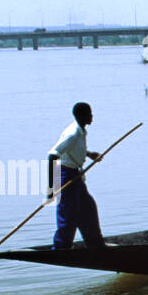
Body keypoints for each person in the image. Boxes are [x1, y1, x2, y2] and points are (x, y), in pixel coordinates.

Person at [49, 102, 104, 249]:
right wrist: (50, 189)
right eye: (89, 114)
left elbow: (73, 149)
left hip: (75, 175)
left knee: (88, 209)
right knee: (68, 214)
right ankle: (61, 248)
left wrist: (88, 154)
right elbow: (52, 154)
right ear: (81, 116)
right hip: (66, 175)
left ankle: (95, 245)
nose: (92, 116)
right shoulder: (72, 133)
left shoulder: (81, 131)